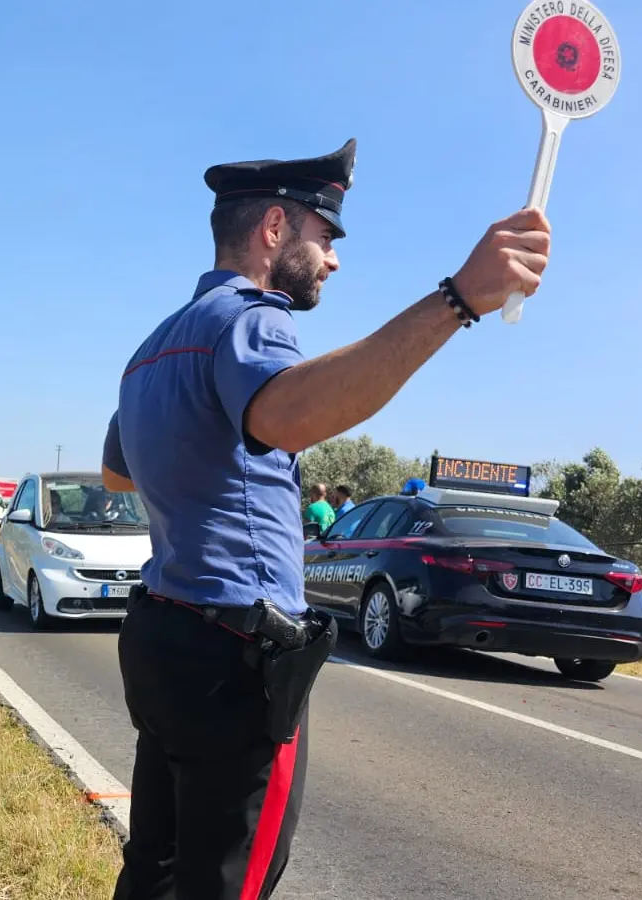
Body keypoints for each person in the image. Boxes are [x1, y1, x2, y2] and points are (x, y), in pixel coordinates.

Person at [100, 137, 551, 899]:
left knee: (154, 871)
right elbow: (289, 412)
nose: (334, 258)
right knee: (226, 884)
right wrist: (458, 300)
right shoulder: (254, 319)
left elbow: (118, 470)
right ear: (274, 229)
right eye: (325, 235)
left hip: (163, 639)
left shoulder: (155, 345)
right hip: (231, 663)